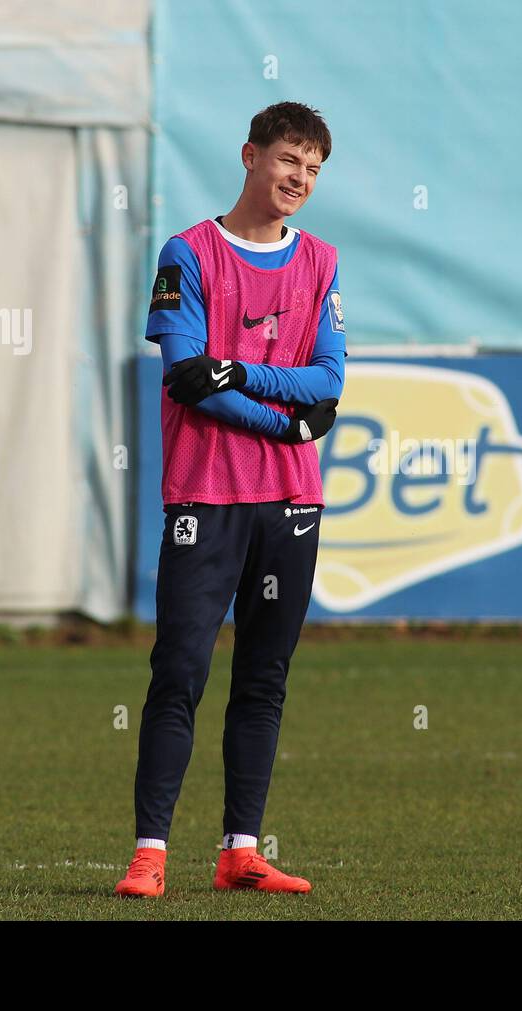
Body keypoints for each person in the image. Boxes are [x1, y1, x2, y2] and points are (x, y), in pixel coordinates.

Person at [115, 101, 344, 897]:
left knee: (264, 677)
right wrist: (285, 427)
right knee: (178, 671)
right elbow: (186, 376)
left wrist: (242, 372)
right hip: (206, 497)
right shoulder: (188, 252)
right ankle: (150, 852)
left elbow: (330, 381)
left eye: (313, 169)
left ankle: (240, 850)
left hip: (291, 504)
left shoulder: (322, 261)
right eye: (289, 160)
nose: (300, 179)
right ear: (250, 156)